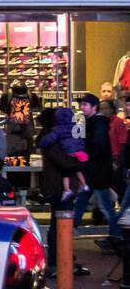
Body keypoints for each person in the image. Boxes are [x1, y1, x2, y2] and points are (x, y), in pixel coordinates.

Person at [37, 107, 91, 278]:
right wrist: (79, 161)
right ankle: (57, 263)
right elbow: (65, 162)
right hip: (59, 188)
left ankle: (63, 260)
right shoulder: (53, 139)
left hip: (57, 186)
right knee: (59, 225)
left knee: (59, 224)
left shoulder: (51, 137)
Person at [72, 92, 121, 245]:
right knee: (82, 202)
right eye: (82, 104)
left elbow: (97, 147)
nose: (82, 107)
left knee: (105, 207)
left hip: (97, 173)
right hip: (93, 172)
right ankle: (68, 230)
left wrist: (83, 154)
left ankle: (117, 236)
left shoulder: (98, 123)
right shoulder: (91, 122)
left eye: (85, 105)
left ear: (94, 107)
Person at [36, 106, 88, 202]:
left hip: (55, 182)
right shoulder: (73, 129)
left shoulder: (53, 133)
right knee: (64, 212)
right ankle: (84, 185)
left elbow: (60, 159)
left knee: (59, 212)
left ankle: (74, 188)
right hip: (61, 182)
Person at [0, 83, 36, 165]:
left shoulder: (7, 96)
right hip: (27, 136)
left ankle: (13, 176)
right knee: (26, 165)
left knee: (12, 165)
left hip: (12, 137)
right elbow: (37, 108)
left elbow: (2, 109)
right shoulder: (31, 96)